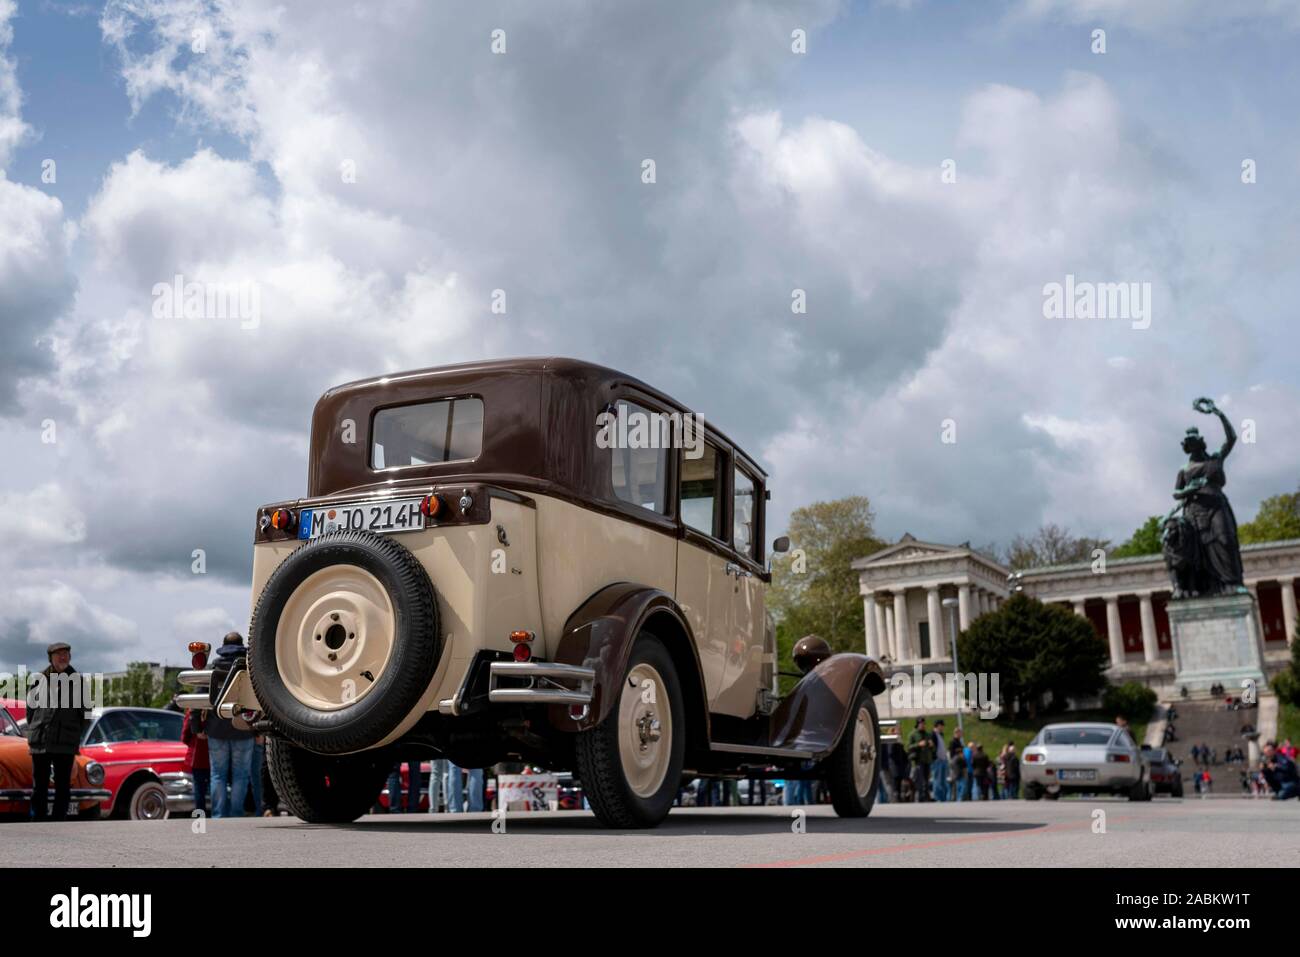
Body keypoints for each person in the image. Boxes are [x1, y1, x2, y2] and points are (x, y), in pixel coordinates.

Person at [26, 642, 85, 821]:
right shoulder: (38, 679)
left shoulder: (78, 682)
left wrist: (74, 734)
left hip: (65, 741)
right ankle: (38, 821)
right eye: (59, 654)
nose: (63, 657)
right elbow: (30, 711)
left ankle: (59, 822)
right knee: (40, 785)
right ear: (50, 658)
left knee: (62, 785)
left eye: (66, 654)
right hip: (41, 739)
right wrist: (35, 730)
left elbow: (85, 714)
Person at [207, 632, 255, 818]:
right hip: (242, 729)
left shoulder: (214, 667)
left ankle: (218, 815)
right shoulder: (248, 667)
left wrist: (197, 728)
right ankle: (236, 814)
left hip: (216, 730)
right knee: (241, 776)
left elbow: (200, 697)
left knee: (218, 775)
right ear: (241, 645)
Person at [181, 707, 210, 816]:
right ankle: (217, 813)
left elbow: (185, 735)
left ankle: (200, 816)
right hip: (213, 754)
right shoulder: (213, 708)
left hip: (197, 755)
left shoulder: (192, 710)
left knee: (199, 790)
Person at [906, 717, 934, 802]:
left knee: (927, 779)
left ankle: (927, 796)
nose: (923, 725)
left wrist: (932, 745)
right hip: (918, 760)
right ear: (917, 724)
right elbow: (908, 747)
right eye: (921, 724)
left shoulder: (928, 734)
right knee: (919, 779)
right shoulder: (913, 734)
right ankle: (920, 797)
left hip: (927, 760)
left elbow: (933, 749)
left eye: (924, 724)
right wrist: (918, 744)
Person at [930, 719, 949, 802]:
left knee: (942, 780)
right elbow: (932, 748)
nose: (943, 727)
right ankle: (938, 797)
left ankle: (943, 797)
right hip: (937, 760)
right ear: (938, 725)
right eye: (942, 726)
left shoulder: (940, 735)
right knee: (937, 780)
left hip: (943, 760)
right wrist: (935, 756)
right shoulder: (933, 734)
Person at [948, 733, 967, 801]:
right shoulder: (960, 758)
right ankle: (960, 798)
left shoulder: (954, 759)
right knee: (961, 787)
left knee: (956, 788)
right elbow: (964, 767)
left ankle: (955, 798)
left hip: (955, 775)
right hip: (959, 775)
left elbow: (951, 766)